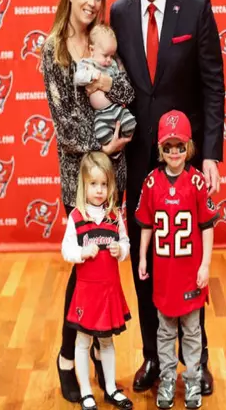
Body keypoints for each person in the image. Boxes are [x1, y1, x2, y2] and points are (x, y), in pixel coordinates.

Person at [110, 0, 225, 395]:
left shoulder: (195, 5)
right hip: (138, 161)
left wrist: (212, 156)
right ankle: (153, 358)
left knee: (188, 256)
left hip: (187, 156)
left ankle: (194, 362)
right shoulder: (116, 12)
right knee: (147, 262)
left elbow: (213, 84)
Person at [41, 0, 134, 403]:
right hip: (80, 179)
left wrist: (103, 80)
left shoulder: (105, 44)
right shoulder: (53, 49)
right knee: (85, 268)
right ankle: (66, 355)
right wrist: (106, 150)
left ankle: (97, 351)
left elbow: (129, 95)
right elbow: (64, 125)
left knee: (108, 269)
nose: (93, 3)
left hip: (113, 177)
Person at [136, 111, 218, 409]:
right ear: (160, 147)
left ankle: (193, 380)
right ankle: (168, 379)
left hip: (189, 273)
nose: (174, 152)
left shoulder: (196, 182)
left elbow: (207, 227)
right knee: (165, 331)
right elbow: (145, 224)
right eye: (168, 147)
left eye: (179, 147)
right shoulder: (151, 183)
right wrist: (143, 257)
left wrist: (206, 264)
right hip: (165, 275)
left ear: (189, 148)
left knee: (192, 332)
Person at [62, 152, 133, 410]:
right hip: (86, 292)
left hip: (109, 291)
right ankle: (86, 392)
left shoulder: (114, 216)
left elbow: (125, 243)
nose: (99, 190)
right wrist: (81, 253)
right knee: (82, 340)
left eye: (104, 184)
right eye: (94, 184)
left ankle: (111, 388)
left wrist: (120, 251)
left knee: (107, 341)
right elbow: (66, 250)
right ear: (84, 185)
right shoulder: (77, 218)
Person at [74, 24, 137, 158]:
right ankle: (112, 146)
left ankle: (125, 134)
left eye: (112, 56)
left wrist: (108, 82)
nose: (109, 60)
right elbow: (77, 78)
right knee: (101, 132)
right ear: (92, 50)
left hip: (115, 107)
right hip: (100, 114)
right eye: (105, 56)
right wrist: (90, 76)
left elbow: (124, 85)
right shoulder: (87, 64)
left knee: (128, 119)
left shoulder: (113, 64)